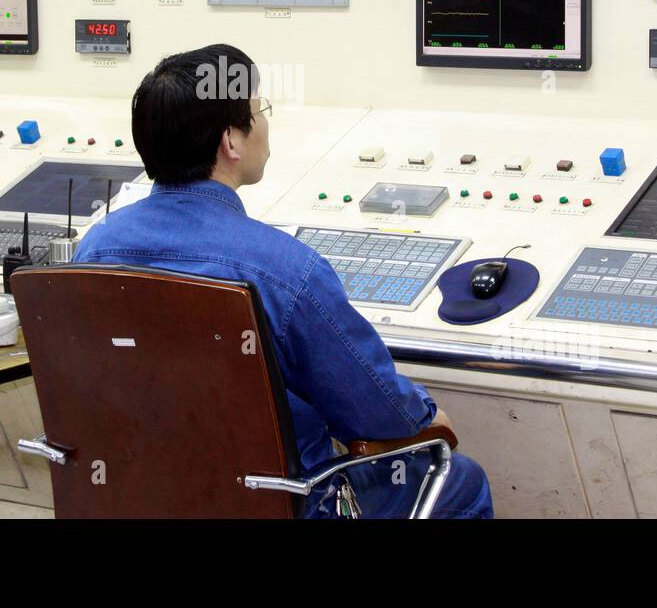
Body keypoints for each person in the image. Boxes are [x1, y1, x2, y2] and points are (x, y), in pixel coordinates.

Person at [74, 43, 493, 519]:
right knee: (460, 480)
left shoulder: (96, 247)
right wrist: (424, 414)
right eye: (260, 110)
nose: (265, 124)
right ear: (232, 142)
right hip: (283, 503)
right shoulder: (283, 269)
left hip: (139, 498)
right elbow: (376, 412)